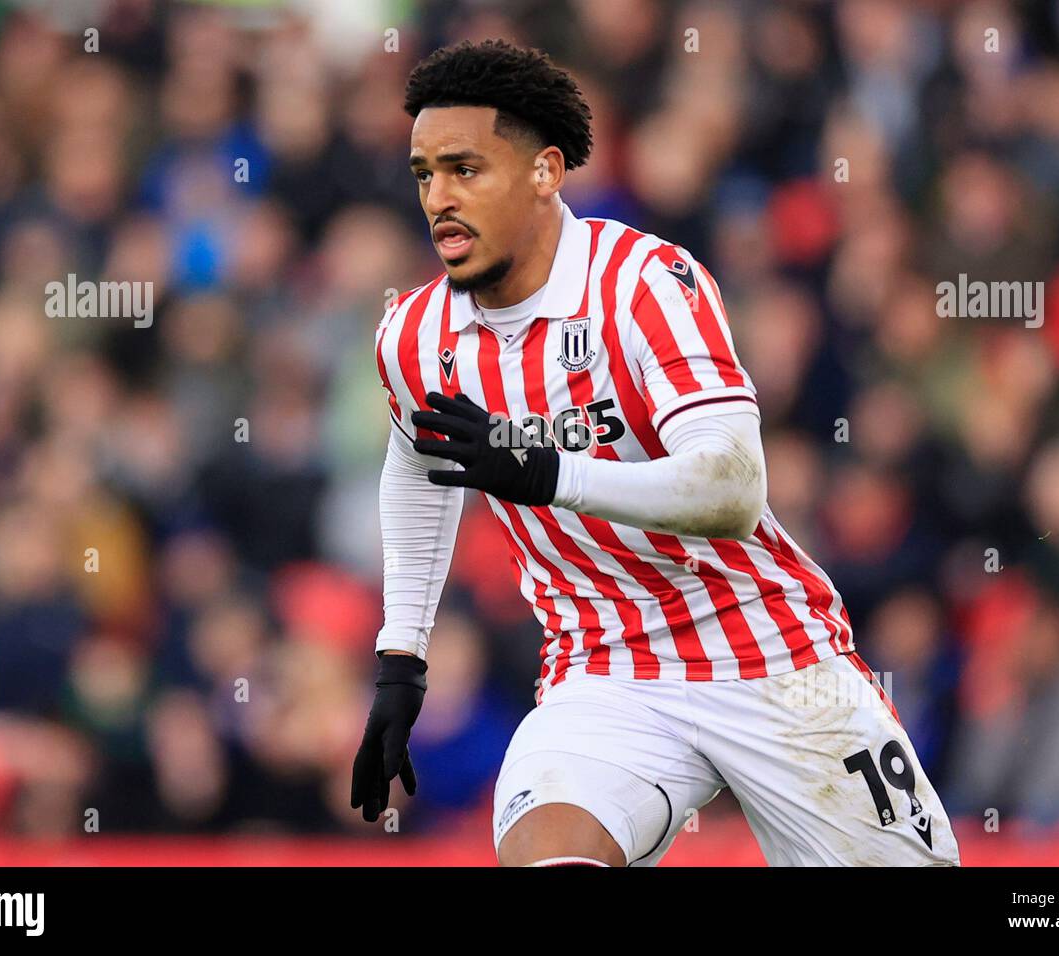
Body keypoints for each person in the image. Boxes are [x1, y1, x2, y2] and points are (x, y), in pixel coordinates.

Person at [350, 39, 960, 867]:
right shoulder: (413, 335)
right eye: (425, 173)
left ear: (545, 171)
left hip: (770, 652)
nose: (439, 199)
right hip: (603, 668)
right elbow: (417, 468)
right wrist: (401, 660)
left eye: (466, 169)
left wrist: (546, 472)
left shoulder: (645, 283)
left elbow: (734, 487)